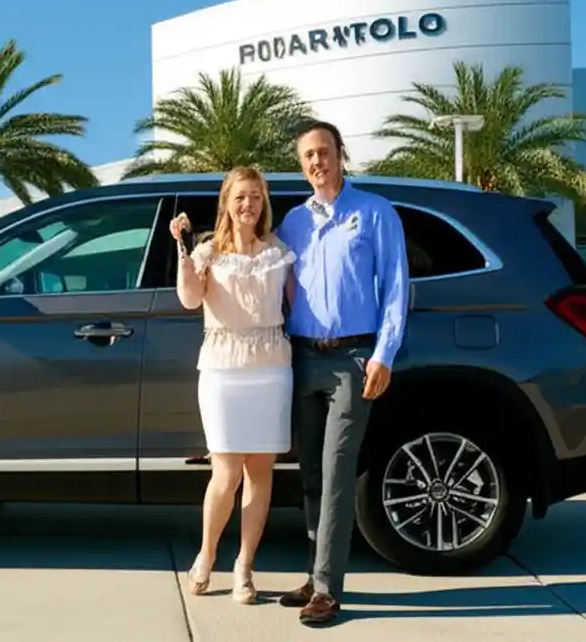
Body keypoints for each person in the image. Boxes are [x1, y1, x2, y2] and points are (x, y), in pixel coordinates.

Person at [273, 119, 411, 626]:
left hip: (353, 361)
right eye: (308, 155)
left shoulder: (374, 213)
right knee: (309, 472)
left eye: (324, 151)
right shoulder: (293, 222)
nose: (316, 162)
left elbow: (396, 287)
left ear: (340, 154)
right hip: (304, 358)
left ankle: (328, 589)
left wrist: (383, 354)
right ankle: (314, 573)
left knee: (335, 473)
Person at [171, 165, 296, 606]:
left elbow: (300, 306)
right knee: (224, 471)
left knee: (260, 471)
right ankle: (206, 555)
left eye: (256, 197)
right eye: (241, 196)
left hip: (272, 367)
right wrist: (184, 252)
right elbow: (189, 299)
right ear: (227, 201)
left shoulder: (278, 250)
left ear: (264, 203)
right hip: (224, 368)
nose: (249, 205)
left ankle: (244, 565)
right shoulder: (208, 251)